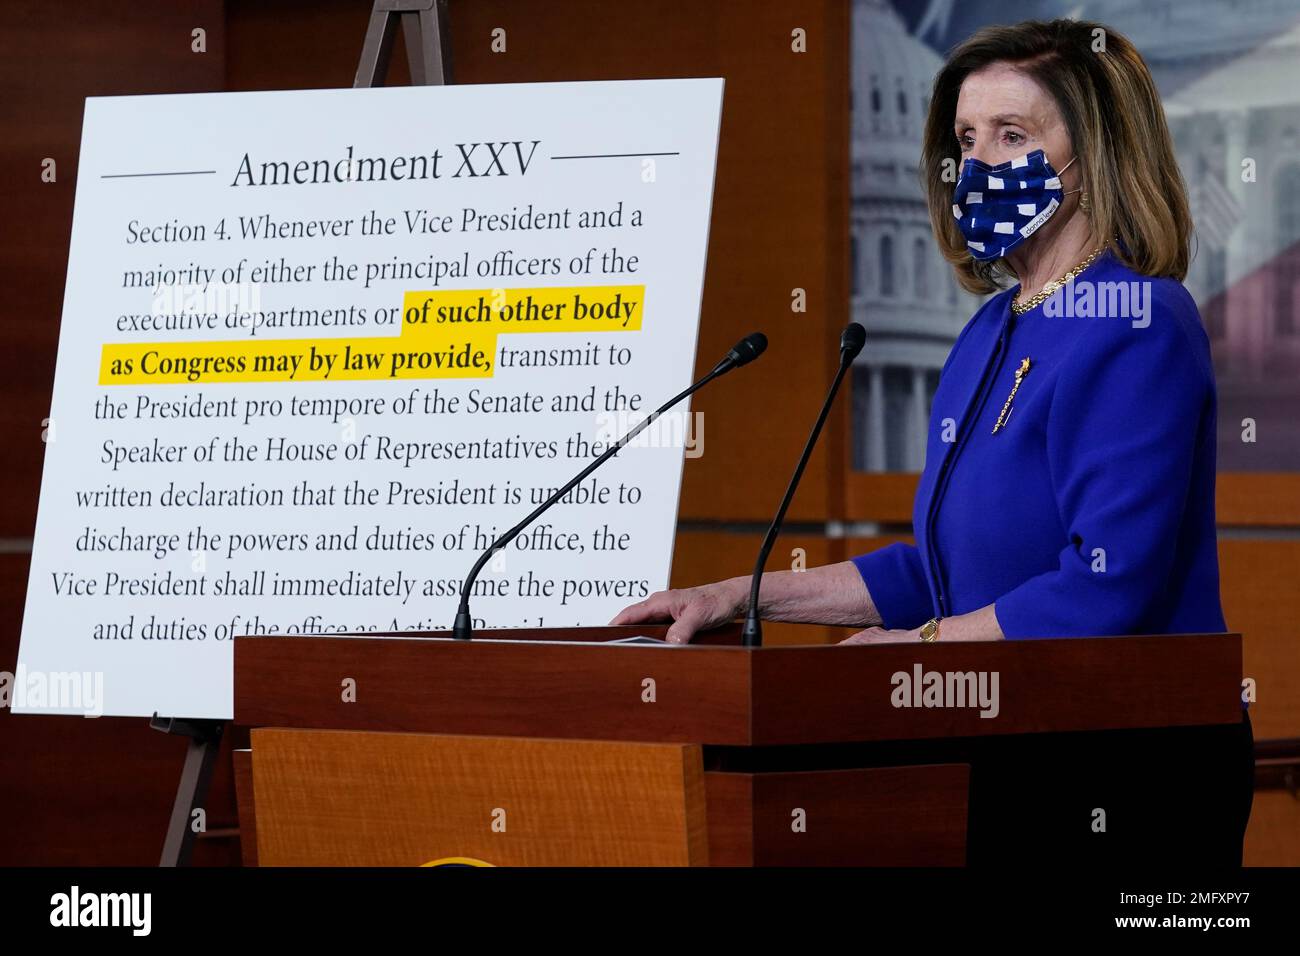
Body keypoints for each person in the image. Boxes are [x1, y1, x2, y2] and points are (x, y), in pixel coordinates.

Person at [613, 18, 1253, 865]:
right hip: (1005, 742)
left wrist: (914, 651)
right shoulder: (992, 329)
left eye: (1013, 135)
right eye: (965, 138)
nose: (980, 163)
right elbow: (938, 574)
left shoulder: (1137, 320)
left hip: (1126, 761)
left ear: (1092, 157)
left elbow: (1108, 587)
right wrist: (740, 594)